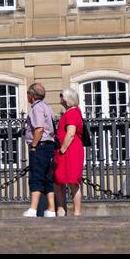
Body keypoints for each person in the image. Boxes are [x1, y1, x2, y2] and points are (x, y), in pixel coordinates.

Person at [22, 83, 58, 217]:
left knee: (36, 176)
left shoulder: (37, 108)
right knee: (48, 178)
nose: (27, 97)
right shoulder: (47, 107)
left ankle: (33, 208)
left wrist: (33, 146)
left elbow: (39, 129)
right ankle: (51, 209)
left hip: (40, 146)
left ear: (32, 95)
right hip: (49, 146)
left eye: (27, 94)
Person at [53, 87, 85, 217]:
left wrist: (62, 149)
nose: (60, 98)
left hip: (69, 151)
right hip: (67, 150)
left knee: (72, 181)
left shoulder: (72, 113)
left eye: (61, 96)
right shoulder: (71, 112)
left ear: (66, 99)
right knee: (58, 180)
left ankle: (76, 212)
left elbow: (70, 133)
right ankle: (61, 209)